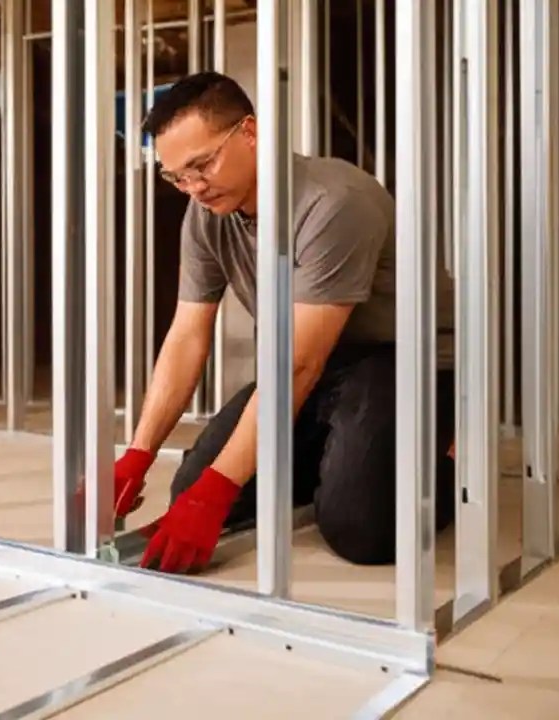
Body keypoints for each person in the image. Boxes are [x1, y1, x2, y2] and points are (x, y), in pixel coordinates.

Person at [115, 72, 457, 575]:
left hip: (401, 360)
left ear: (250, 133)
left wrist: (218, 492)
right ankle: (341, 456)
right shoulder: (206, 213)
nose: (193, 188)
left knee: (360, 529)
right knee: (189, 487)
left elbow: (299, 363)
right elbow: (187, 335)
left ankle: (446, 457)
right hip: (313, 360)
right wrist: (138, 454)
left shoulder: (333, 202)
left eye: (201, 165)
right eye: (176, 177)